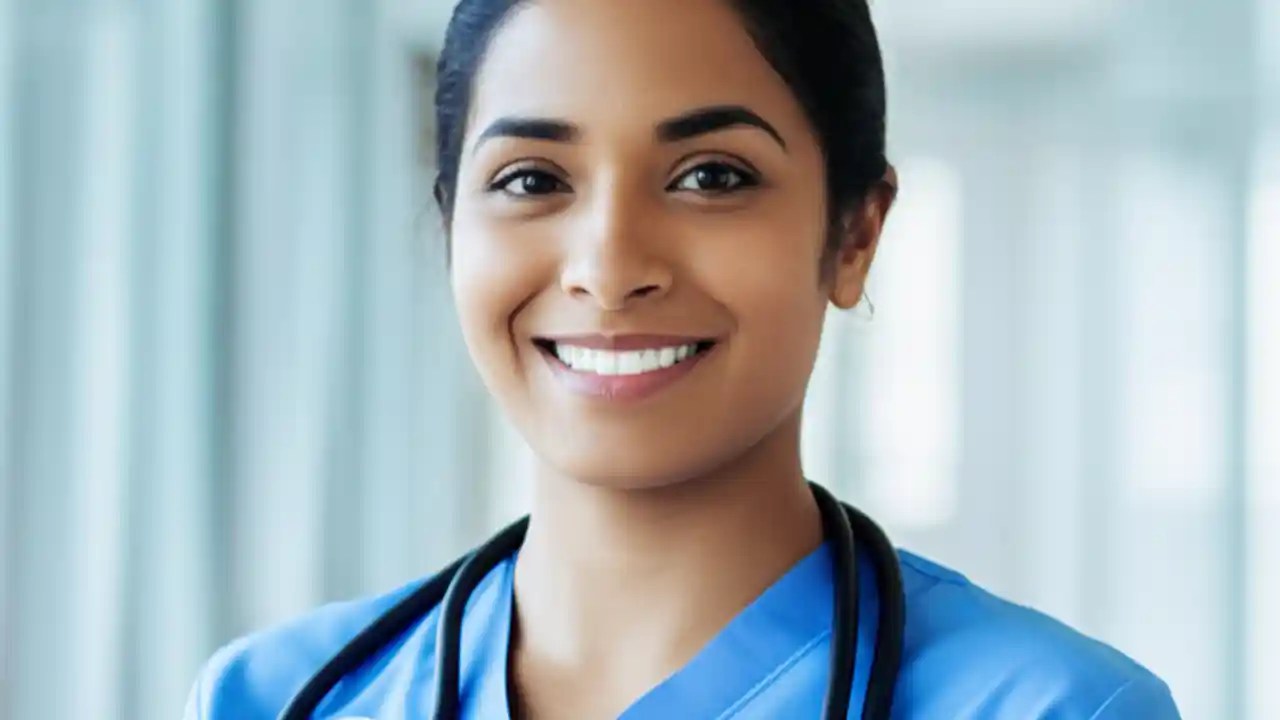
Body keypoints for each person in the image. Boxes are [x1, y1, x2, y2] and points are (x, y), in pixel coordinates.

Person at [183, 0, 1182, 717]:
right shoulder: (276, 696)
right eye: (530, 179)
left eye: (711, 176)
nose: (610, 269)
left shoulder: (1052, 707)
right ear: (452, 228)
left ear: (853, 234)